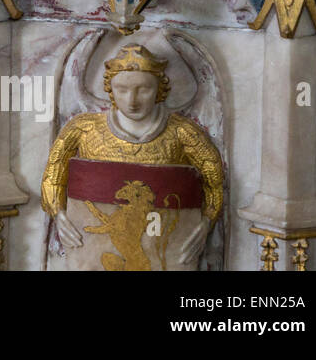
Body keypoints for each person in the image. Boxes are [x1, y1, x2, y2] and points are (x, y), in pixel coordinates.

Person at [41, 43, 223, 269]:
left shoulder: (183, 133)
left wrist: (206, 223)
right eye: (122, 89)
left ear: (159, 88)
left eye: (143, 89)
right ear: (110, 88)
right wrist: (58, 214)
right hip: (90, 252)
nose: (132, 100)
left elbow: (215, 183)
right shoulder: (83, 129)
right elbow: (53, 174)